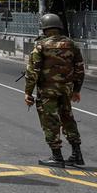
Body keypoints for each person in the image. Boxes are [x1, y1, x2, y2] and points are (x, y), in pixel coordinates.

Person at [24, 13, 85, 167]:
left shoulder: (41, 46)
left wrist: (28, 92)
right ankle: (77, 153)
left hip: (47, 91)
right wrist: (77, 89)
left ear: (44, 29)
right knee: (68, 118)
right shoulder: (71, 44)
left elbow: (33, 72)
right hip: (66, 89)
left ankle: (57, 156)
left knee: (50, 121)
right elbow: (80, 69)